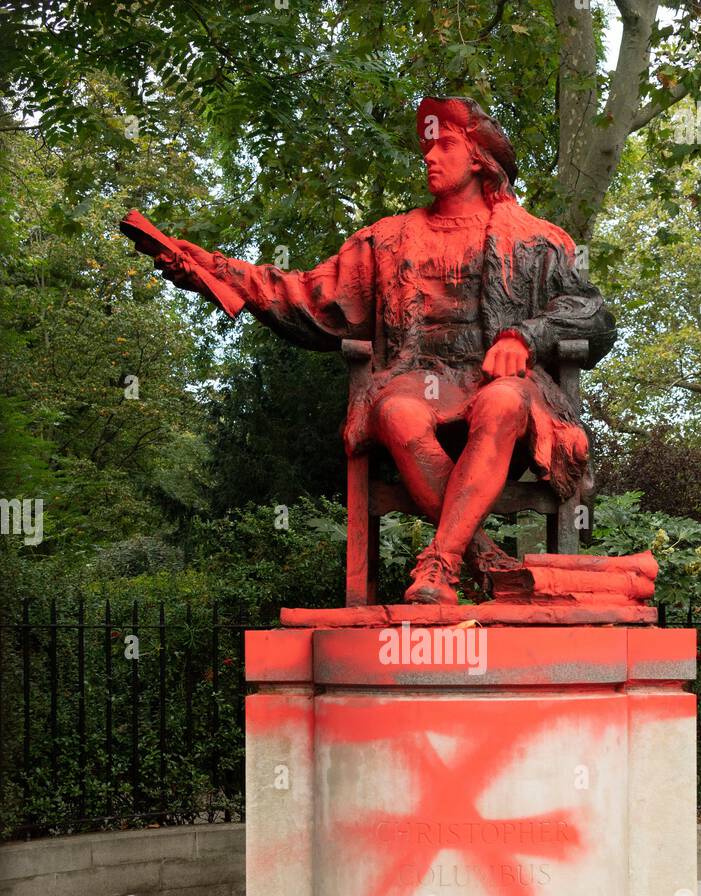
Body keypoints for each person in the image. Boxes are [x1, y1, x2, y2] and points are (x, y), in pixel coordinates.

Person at [150, 96, 616, 603]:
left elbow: (594, 314)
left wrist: (525, 336)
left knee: (501, 400)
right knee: (395, 412)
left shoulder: (536, 240)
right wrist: (213, 271)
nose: (429, 157)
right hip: (419, 380)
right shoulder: (388, 239)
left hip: (505, 392)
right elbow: (308, 296)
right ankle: (472, 557)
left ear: (479, 156)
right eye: (426, 148)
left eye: (444, 145)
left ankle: (444, 562)